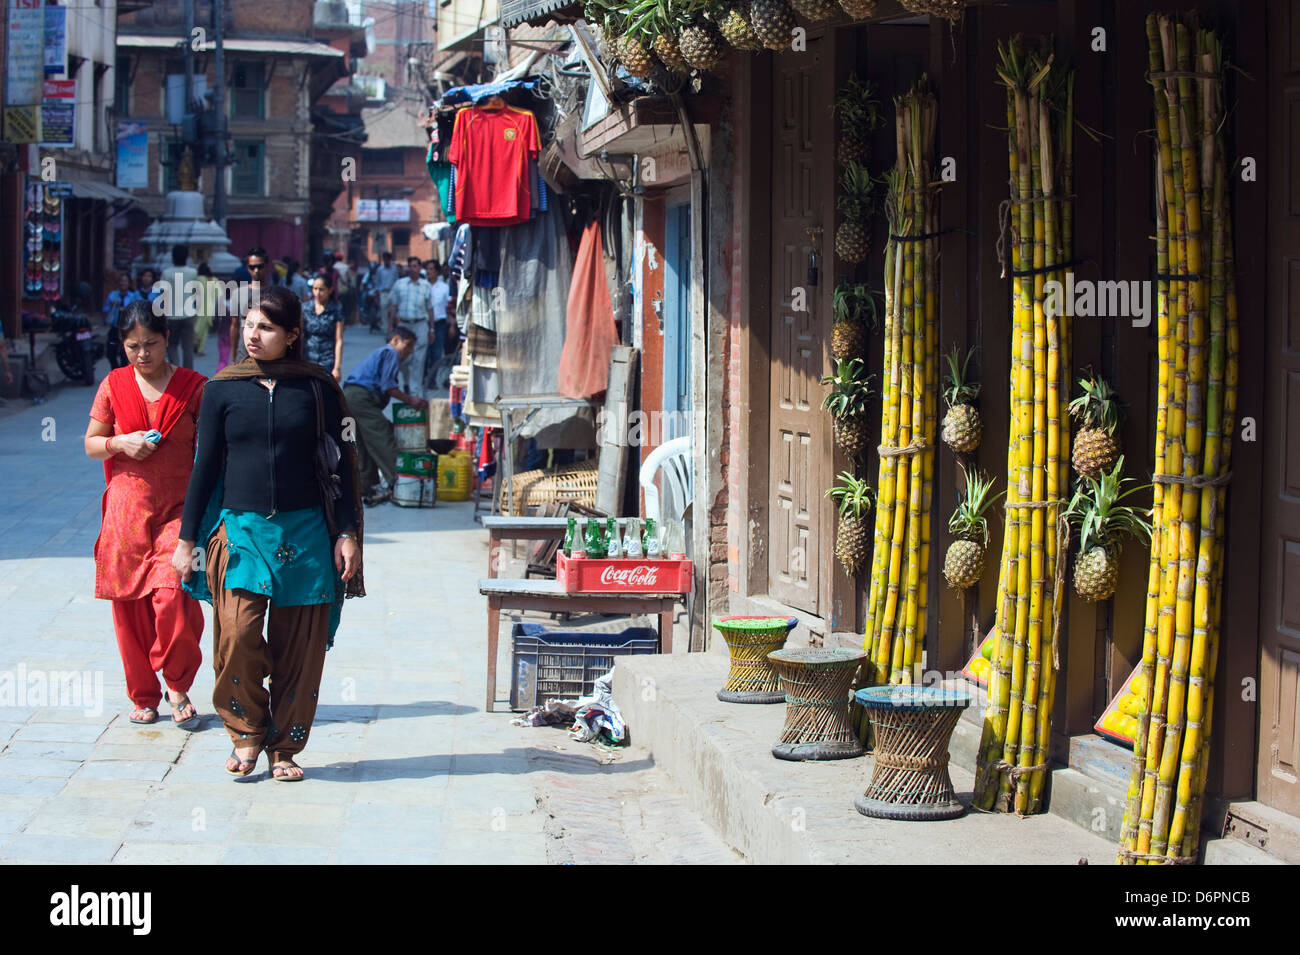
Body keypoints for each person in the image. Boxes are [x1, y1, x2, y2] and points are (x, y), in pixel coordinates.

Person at [174, 285, 363, 781]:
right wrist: (186, 539)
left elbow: (344, 463)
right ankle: (246, 730)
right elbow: (204, 467)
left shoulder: (320, 390)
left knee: (298, 646)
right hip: (241, 530)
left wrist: (348, 532)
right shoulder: (221, 389)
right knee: (236, 633)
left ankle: (285, 746)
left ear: (292, 335)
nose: (252, 335)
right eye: (248, 325)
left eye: (266, 328)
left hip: (306, 533)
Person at [84, 301, 207, 729]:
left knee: (174, 594)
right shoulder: (114, 385)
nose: (142, 354)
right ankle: (143, 693)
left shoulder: (194, 387)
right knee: (128, 605)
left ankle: (177, 685)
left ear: (167, 339)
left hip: (179, 509)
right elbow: (92, 443)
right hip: (126, 509)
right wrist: (121, 444)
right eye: (133, 346)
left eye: (150, 344)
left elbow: (212, 450)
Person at [342, 329, 426, 505]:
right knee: (382, 434)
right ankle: (400, 481)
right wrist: (411, 400)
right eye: (407, 345)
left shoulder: (383, 354)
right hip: (360, 397)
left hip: (349, 396)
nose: (408, 352)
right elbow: (389, 386)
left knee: (362, 443)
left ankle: (366, 485)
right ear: (396, 340)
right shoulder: (390, 353)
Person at [386, 256, 437, 395]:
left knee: (419, 359)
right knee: (402, 358)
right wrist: (391, 326)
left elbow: (430, 308)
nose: (412, 269)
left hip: (420, 324)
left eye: (415, 266)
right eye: (410, 266)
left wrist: (431, 329)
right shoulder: (400, 284)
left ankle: (415, 391)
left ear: (420, 268)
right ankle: (407, 382)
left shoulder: (426, 285)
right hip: (403, 325)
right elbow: (394, 306)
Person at [228, 246, 273, 366]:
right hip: (243, 354)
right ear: (248, 268)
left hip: (268, 355)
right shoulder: (238, 293)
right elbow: (234, 326)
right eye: (253, 267)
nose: (256, 270)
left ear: (266, 266)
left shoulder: (275, 294)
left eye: (260, 266)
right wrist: (233, 357)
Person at [162, 244, 199, 369]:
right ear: (186, 257)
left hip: (171, 315)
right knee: (187, 348)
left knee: (172, 345)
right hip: (188, 314)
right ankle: (188, 375)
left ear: (173, 257)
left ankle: (174, 371)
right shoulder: (193, 272)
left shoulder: (166, 273)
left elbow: (163, 295)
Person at [304, 275, 345, 380]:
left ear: (330, 290)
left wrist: (337, 367)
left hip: (327, 359)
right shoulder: (305, 308)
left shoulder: (336, 309)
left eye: (321, 289)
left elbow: (339, 340)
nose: (317, 293)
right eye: (315, 289)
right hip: (308, 357)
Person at [102, 274, 139, 370]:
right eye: (121, 281)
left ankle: (123, 375)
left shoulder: (133, 296)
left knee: (125, 354)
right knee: (111, 352)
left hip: (127, 329)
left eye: (125, 281)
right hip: (114, 327)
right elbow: (105, 310)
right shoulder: (112, 295)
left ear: (129, 283)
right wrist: (112, 305)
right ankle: (115, 370)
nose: (123, 283)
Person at [193, 263, 218, 357]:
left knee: (196, 328)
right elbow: (218, 295)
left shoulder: (198, 279)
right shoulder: (215, 280)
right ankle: (200, 349)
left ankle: (195, 342)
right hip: (210, 308)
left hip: (198, 307)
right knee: (205, 330)